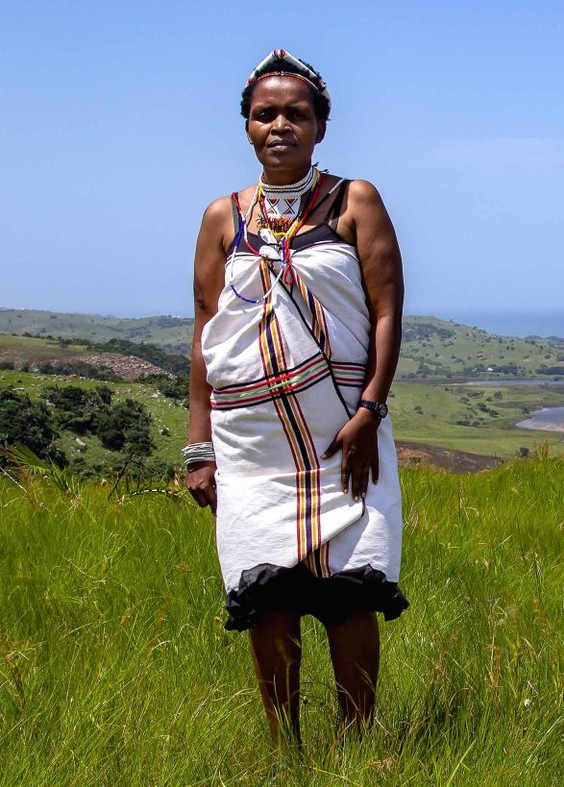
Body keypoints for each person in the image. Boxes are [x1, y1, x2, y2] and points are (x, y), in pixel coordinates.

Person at [184, 49, 408, 746]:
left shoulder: (353, 201)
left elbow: (387, 310)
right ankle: (287, 752)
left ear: (320, 126)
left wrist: (370, 409)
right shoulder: (224, 216)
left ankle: (357, 746)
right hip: (251, 448)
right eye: (265, 113)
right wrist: (199, 445)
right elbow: (204, 327)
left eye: (296, 113)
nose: (280, 124)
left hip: (345, 436)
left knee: (349, 594)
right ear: (248, 125)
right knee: (268, 600)